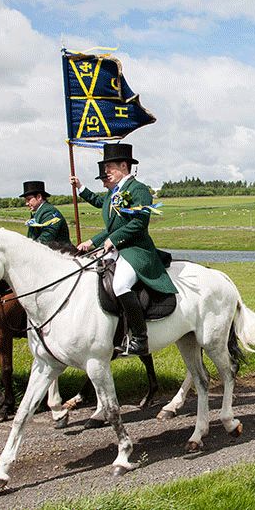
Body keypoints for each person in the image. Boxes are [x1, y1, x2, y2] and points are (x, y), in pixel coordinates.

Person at [71, 143, 176, 357]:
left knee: (120, 285)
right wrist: (92, 242)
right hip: (117, 249)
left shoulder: (139, 190)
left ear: (124, 166)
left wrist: (114, 239)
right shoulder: (113, 193)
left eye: (109, 166)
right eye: (105, 167)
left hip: (136, 250)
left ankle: (140, 339)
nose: (105, 171)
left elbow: (139, 222)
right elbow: (110, 221)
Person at [20, 180, 70, 245]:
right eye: (25, 200)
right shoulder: (39, 212)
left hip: (61, 253)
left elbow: (45, 239)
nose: (26, 203)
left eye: (29, 199)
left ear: (39, 197)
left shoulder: (50, 212)